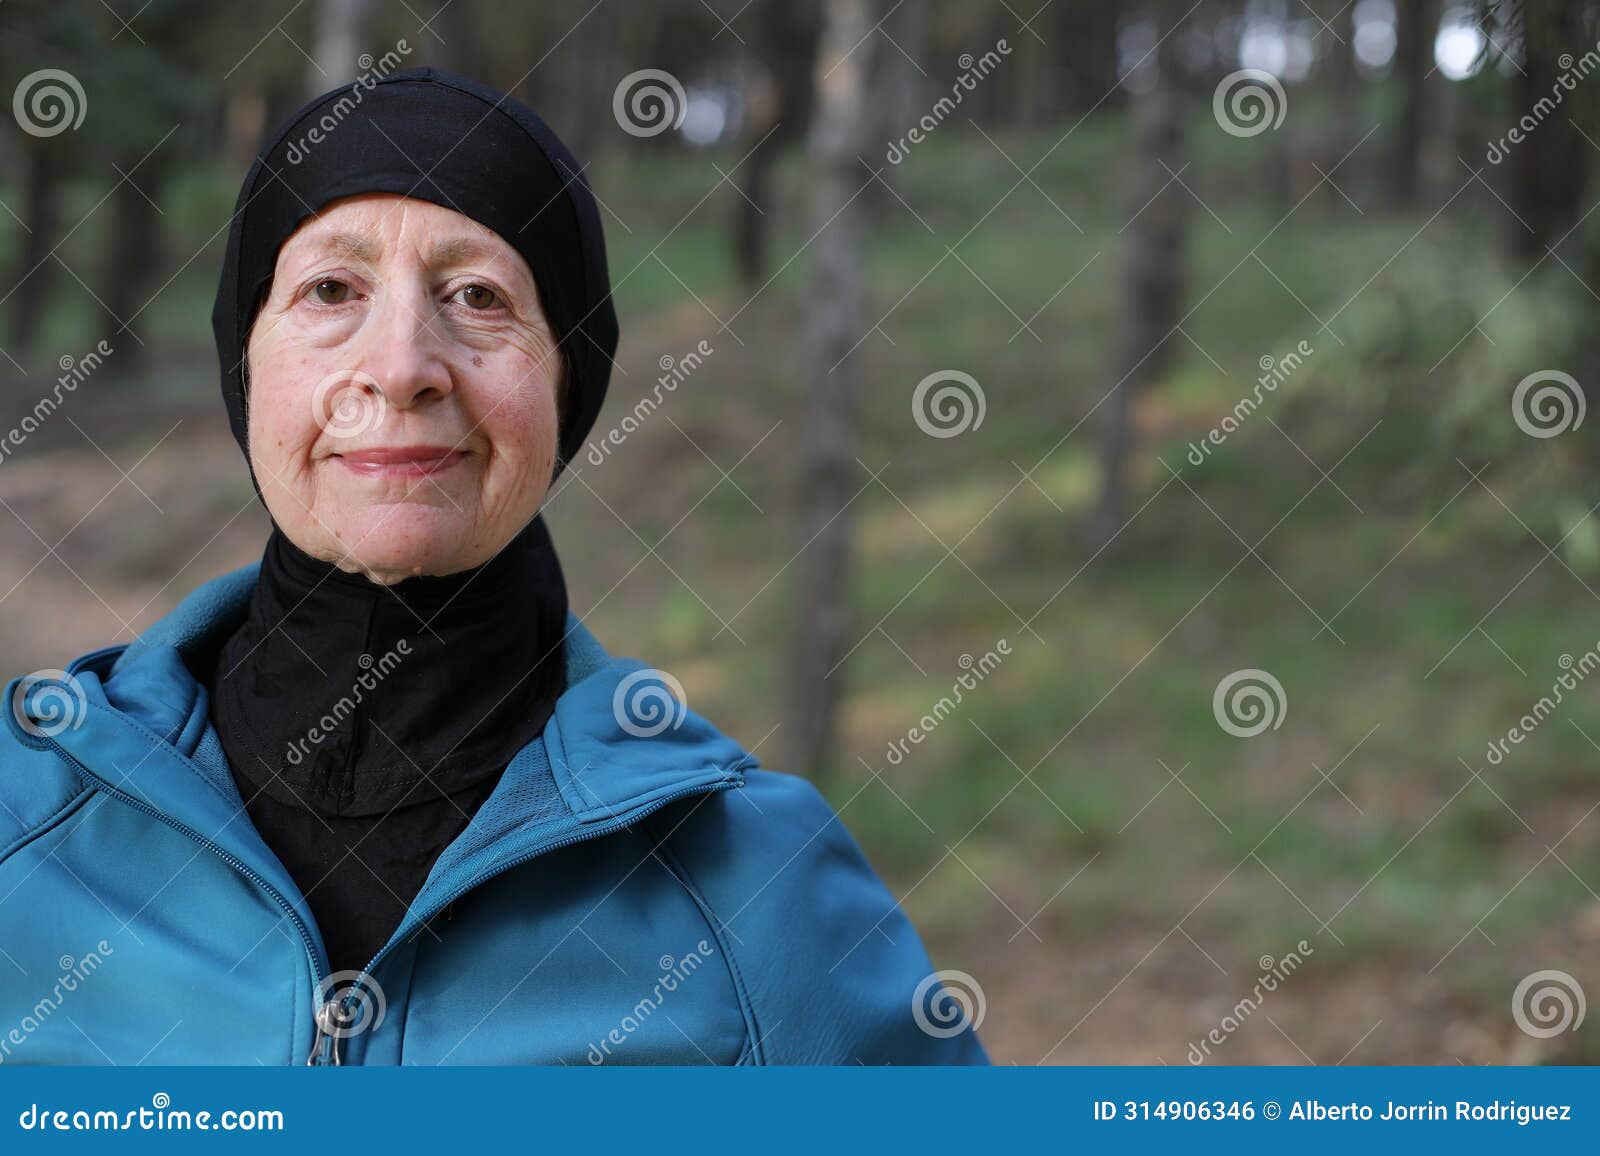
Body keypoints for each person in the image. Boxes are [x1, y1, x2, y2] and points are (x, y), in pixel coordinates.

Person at [0, 68, 987, 1066]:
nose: (400, 365)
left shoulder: (757, 892)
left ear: (566, 371)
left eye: (476, 296)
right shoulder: (20, 825)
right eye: (331, 289)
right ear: (245, 362)